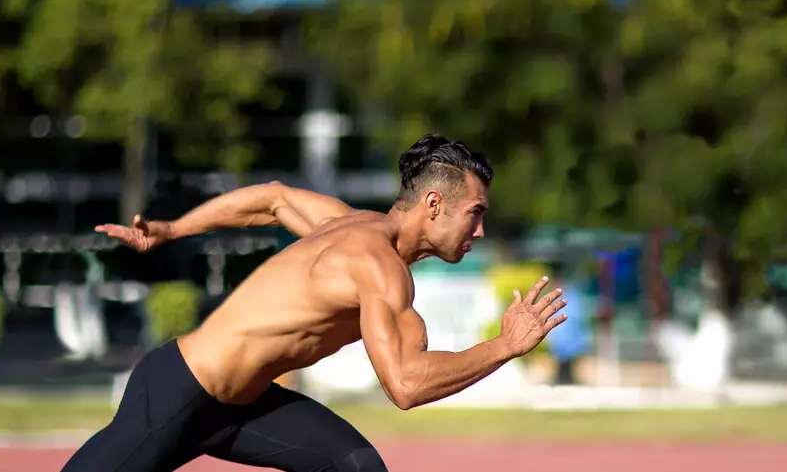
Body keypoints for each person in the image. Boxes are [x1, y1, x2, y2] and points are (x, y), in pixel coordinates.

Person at [67, 134, 568, 472]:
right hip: (178, 393)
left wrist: (175, 228)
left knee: (357, 466)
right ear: (434, 205)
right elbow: (406, 384)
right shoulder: (376, 266)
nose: (479, 230)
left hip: (242, 408)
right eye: (474, 213)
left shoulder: (344, 222)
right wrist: (504, 346)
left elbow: (273, 199)